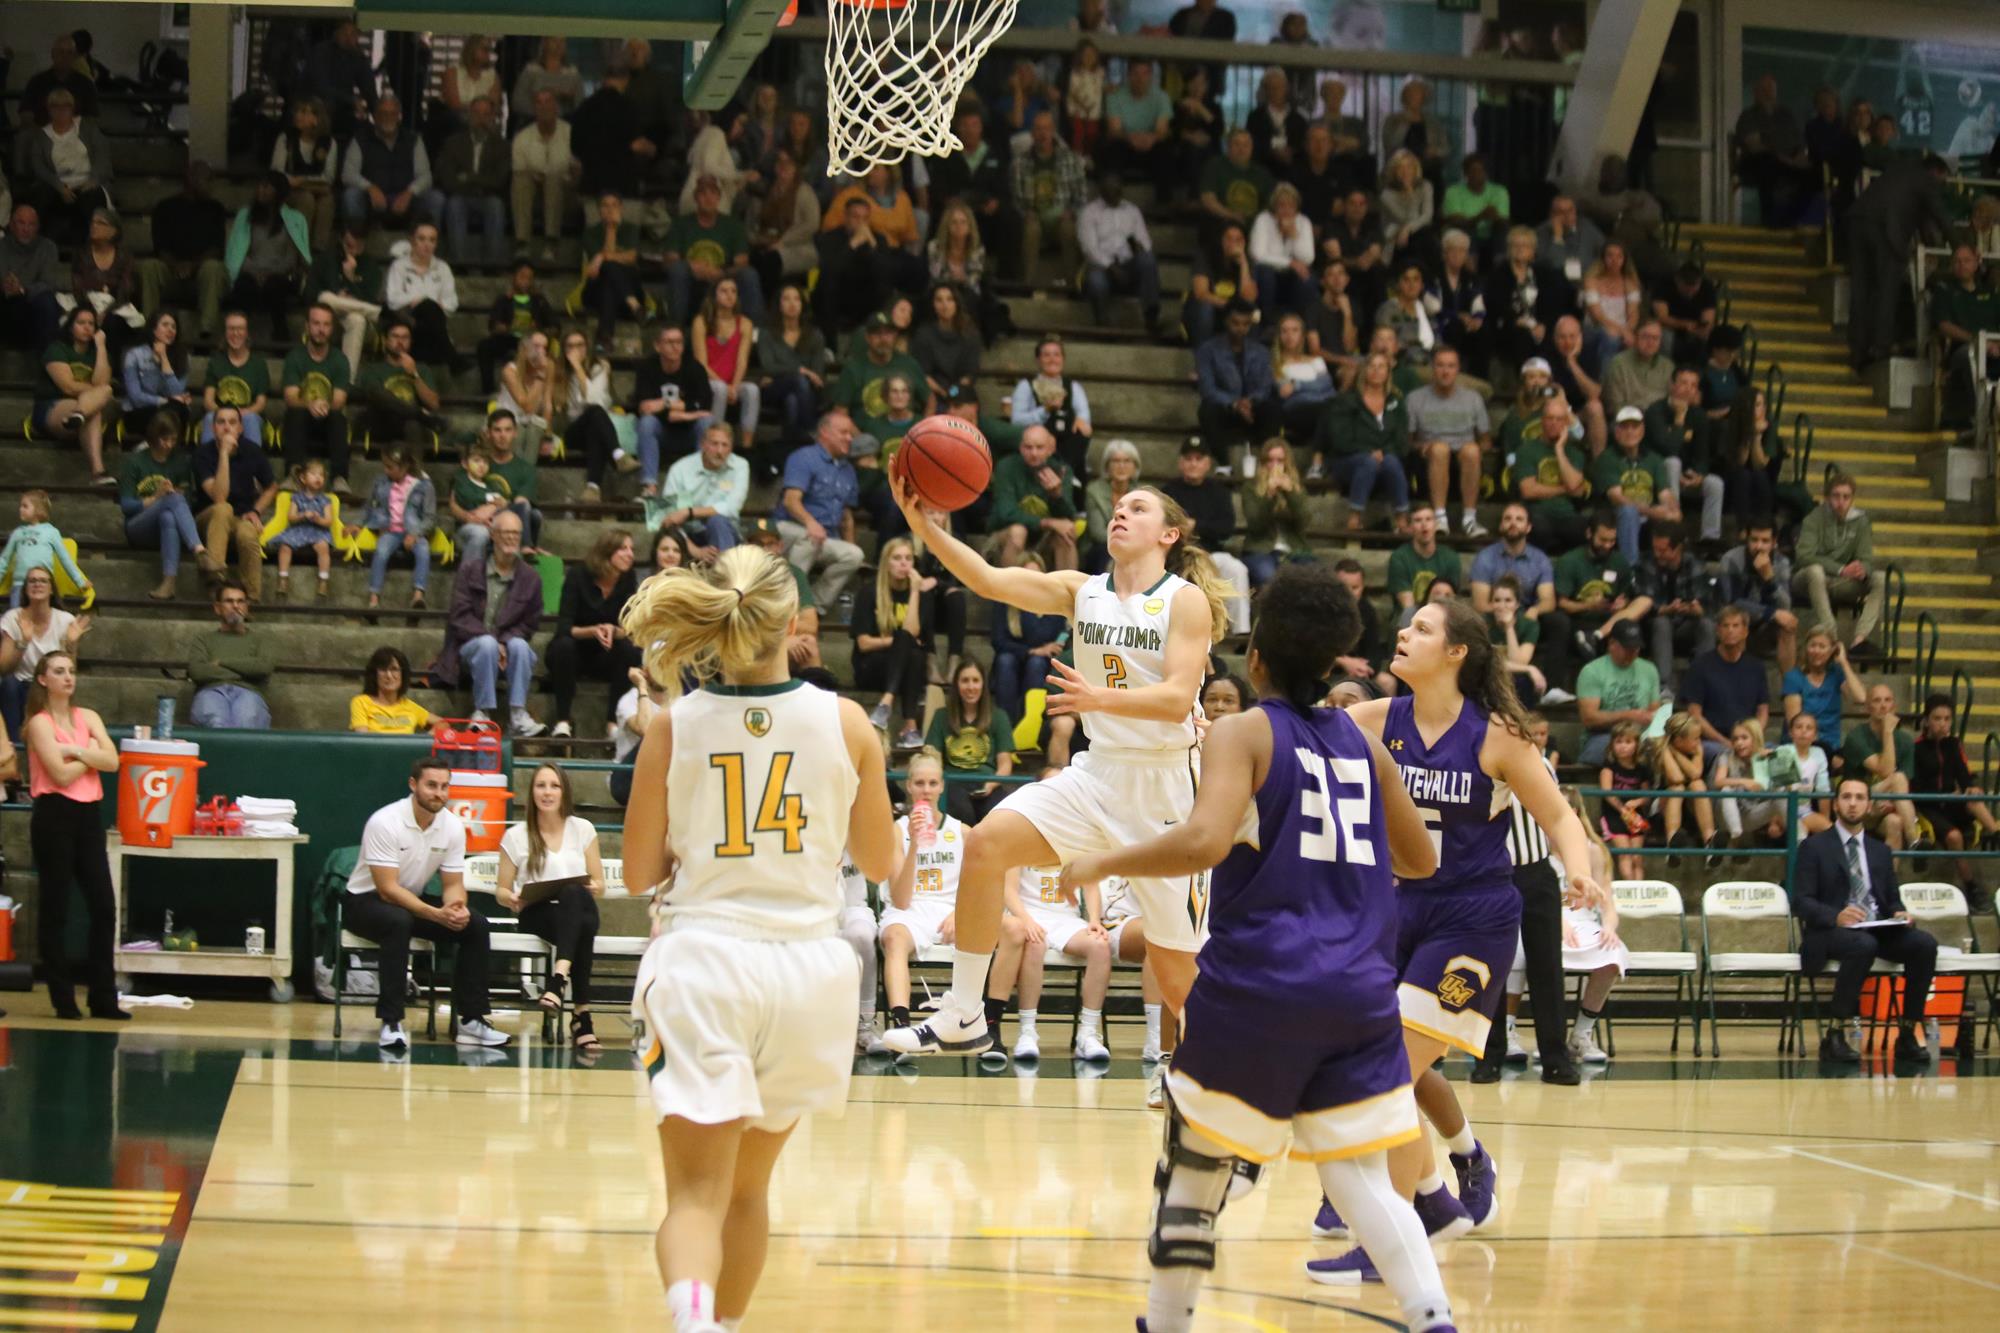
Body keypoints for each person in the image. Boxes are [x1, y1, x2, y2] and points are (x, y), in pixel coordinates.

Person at [618, 540, 900, 1333]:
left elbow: (639, 872)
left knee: (696, 1198)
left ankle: (692, 1319)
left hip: (707, 959)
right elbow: (879, 862)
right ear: (794, 622)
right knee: (747, 1192)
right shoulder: (847, 723)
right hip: (811, 972)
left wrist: (692, 839)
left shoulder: (673, 724)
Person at [881, 464, 1231, 1103]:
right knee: (985, 845)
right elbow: (986, 579)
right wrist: (923, 525)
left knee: (1179, 968)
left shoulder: (1183, 599)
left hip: (1166, 793)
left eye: (1138, 508)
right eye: (1117, 505)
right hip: (1096, 774)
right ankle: (964, 1012)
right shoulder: (1081, 589)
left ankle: (1215, 1074)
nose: (1120, 512)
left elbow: (1182, 695)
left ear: (1169, 535)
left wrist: (1098, 696)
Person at [1313, 597, 1601, 1279]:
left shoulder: (1498, 734)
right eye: (1406, 626)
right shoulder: (1381, 718)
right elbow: (1300, 733)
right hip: (1397, 912)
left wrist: (1582, 871)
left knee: (1386, 1075)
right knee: (1397, 1073)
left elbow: (1560, 816)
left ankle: (1400, 1233)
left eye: (1421, 628)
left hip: (1472, 921)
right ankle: (1439, 1200)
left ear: (1456, 653)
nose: (1403, 635)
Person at [345, 757, 508, 1051]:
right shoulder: (385, 822)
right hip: (364, 902)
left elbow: (453, 884)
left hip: (409, 900)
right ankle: (391, 1022)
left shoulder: (453, 827)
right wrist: (435, 914)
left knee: (475, 924)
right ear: (413, 785)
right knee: (398, 921)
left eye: (445, 786)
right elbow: (387, 889)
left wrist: (455, 908)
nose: (440, 793)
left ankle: (470, 1021)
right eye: (432, 785)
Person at [1792, 778, 1941, 1063]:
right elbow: (1801, 901)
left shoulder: (1880, 851)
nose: (1852, 803)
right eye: (1846, 797)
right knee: (1862, 944)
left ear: (1869, 805)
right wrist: (1835, 915)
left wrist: (1900, 913)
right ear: (1836, 804)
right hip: (1830, 931)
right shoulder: (1813, 847)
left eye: (1859, 797)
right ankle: (1834, 1034)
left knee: (1924, 944)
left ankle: (1908, 1033)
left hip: (1876, 927)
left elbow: (1892, 899)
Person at [24, 651, 123, 1021]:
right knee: (56, 908)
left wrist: (75, 751)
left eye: (72, 671)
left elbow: (113, 762)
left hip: (87, 816)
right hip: (54, 816)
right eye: (59, 671)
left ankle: (103, 999)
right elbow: (60, 776)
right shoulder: (39, 723)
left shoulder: (89, 717)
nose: (68, 677)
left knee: (104, 906)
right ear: (43, 679)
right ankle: (63, 998)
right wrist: (92, 754)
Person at [496, 764, 605, 1052]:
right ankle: (581, 1016)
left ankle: (557, 982)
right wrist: (511, 898)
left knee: (575, 896)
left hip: (576, 910)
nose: (547, 792)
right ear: (531, 793)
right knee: (582, 922)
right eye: (541, 786)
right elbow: (501, 889)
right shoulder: (516, 835)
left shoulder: (583, 829)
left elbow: (600, 884)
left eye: (554, 785)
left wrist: (594, 887)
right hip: (537, 912)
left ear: (564, 791)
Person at [433, 509, 546, 737]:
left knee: (521, 646)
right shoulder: (470, 570)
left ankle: (518, 715)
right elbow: (459, 616)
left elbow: (529, 624)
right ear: (493, 535)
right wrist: (495, 642)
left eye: (516, 533)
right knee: (486, 644)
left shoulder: (530, 578)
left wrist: (503, 642)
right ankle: (481, 713)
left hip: (509, 653)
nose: (511, 538)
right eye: (505, 532)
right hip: (469, 650)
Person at [1793, 471, 1887, 658]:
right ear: (1827, 497)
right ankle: (1832, 638)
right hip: (1808, 580)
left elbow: (1867, 558)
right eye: (1836, 496)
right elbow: (1804, 556)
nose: (1841, 502)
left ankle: (1860, 640)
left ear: (1852, 499)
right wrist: (1841, 569)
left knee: (1880, 578)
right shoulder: (1814, 518)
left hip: (1841, 582)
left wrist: (1862, 569)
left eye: (1846, 497)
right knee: (1815, 571)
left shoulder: (1861, 522)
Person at [778, 411, 865, 609]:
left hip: (824, 537)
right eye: (844, 432)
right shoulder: (803, 458)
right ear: (825, 432)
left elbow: (846, 516)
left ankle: (813, 606)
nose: (850, 438)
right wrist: (810, 523)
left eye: (851, 434)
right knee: (810, 538)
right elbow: (791, 501)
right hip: (789, 529)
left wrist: (850, 544)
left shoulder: (848, 470)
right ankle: (787, 604)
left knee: (855, 555)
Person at [1318, 352, 1412, 531]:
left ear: (1388, 372)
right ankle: (1355, 516)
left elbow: (1401, 440)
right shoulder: (1347, 401)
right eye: (1372, 366)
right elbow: (1340, 439)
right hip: (1348, 460)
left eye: (1381, 366)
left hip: (1385, 458)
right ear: (1364, 370)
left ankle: (1402, 517)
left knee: (1392, 461)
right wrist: (1369, 450)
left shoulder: (1396, 402)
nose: (1376, 371)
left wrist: (1383, 452)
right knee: (1368, 462)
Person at [1404, 347, 1491, 539]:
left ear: (1458, 369)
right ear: (1433, 369)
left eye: (1451, 366)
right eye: (1440, 365)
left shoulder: (1473, 398)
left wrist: (1477, 449)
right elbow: (1407, 441)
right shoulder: (1415, 398)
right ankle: (1440, 518)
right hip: (1429, 457)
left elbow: (1485, 440)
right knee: (1440, 449)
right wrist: (1422, 447)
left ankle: (1469, 519)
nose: (1445, 371)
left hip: (1464, 458)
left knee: (1471, 451)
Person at [119, 415, 207, 601]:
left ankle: (169, 583)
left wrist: (174, 494)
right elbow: (126, 506)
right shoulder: (135, 462)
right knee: (171, 500)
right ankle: (199, 550)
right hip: (137, 526)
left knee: (168, 515)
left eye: (173, 440)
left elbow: (188, 502)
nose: (169, 444)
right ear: (153, 437)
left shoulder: (180, 461)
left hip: (168, 525)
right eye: (164, 439)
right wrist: (156, 498)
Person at [138, 162, 229, 340]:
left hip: (201, 275)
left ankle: (206, 331)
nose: (211, 186)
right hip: (170, 273)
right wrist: (176, 266)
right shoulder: (165, 208)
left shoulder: (215, 209)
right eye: (207, 180)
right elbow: (160, 248)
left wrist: (192, 266)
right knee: (149, 266)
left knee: (214, 268)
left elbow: (217, 249)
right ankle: (150, 328)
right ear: (192, 180)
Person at [194, 406, 275, 600]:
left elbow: (272, 487)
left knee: (248, 533)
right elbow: (219, 497)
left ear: (240, 428)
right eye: (221, 422)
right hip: (208, 518)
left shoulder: (251, 450)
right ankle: (216, 583)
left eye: (232, 422)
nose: (227, 427)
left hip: (241, 516)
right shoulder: (202, 454)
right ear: (213, 428)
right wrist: (224, 455)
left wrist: (256, 511)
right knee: (223, 508)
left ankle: (250, 599)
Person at [0, 568, 86, 743]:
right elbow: (3, 668)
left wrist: (71, 645)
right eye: (32, 581)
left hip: (49, 685)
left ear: (51, 588)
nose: (37, 584)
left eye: (43, 580)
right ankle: (14, 746)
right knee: (8, 684)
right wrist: (23, 643)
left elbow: (70, 669)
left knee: (60, 683)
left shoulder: (65, 620)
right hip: (21, 684)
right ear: (25, 588)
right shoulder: (12, 617)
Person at [665, 173, 763, 325]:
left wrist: (722, 273)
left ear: (719, 198)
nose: (708, 198)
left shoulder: (733, 225)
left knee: (749, 274)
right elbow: (670, 259)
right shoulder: (681, 224)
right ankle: (676, 329)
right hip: (691, 280)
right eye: (703, 193)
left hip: (723, 280)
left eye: (713, 193)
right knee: (678, 269)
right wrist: (693, 266)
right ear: (696, 198)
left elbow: (742, 262)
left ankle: (755, 334)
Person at [1194, 299, 1279, 472]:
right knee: (1206, 409)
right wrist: (1235, 403)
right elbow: (1207, 388)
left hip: (1253, 408)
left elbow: (1265, 386)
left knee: (1273, 408)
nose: (1240, 329)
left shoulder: (1261, 351)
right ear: (1226, 321)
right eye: (1236, 323)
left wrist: (1250, 402)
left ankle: (1267, 464)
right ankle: (1224, 464)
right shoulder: (1208, 350)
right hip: (1225, 408)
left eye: (1245, 324)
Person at [36, 306, 116, 486]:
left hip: (79, 412)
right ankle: (98, 472)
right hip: (54, 406)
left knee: (105, 394)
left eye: (91, 323)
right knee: (97, 403)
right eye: (81, 323)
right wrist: (93, 392)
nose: (87, 327)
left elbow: (102, 383)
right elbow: (68, 387)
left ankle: (80, 415)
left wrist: (101, 347)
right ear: (71, 326)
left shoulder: (99, 353)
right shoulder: (57, 349)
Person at [280, 303, 354, 497]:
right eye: (316, 323)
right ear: (307, 326)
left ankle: (339, 477)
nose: (321, 329)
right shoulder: (295, 357)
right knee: (295, 413)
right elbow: (290, 397)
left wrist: (323, 405)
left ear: (332, 328)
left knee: (338, 418)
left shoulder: (339, 360)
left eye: (326, 324)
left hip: (328, 418)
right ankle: (294, 474)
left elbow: (339, 401)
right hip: (302, 417)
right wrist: (310, 404)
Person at [632, 325, 718, 490]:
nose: (675, 347)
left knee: (706, 422)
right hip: (661, 432)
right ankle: (649, 486)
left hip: (690, 432)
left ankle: (699, 485)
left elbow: (706, 405)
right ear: (658, 346)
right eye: (670, 342)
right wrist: (674, 405)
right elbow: (644, 407)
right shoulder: (647, 367)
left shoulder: (694, 367)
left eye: (679, 342)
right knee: (646, 423)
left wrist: (677, 412)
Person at [24, 91, 114, 245]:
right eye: (56, 107)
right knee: (41, 195)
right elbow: (39, 166)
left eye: (66, 106)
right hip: (59, 186)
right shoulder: (42, 135)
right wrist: (59, 187)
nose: (61, 111)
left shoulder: (87, 127)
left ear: (72, 108)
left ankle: (92, 245)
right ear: (49, 109)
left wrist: (93, 180)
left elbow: (102, 156)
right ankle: (39, 246)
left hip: (87, 183)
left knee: (92, 197)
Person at [340, 93, 443, 227]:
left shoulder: (413, 140)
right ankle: (355, 244)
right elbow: (348, 174)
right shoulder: (360, 140)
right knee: (351, 195)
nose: (387, 117)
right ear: (375, 116)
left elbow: (425, 176)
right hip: (372, 200)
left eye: (392, 113)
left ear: (399, 116)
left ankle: (427, 243)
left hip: (406, 199)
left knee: (436, 199)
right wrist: (370, 188)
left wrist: (409, 193)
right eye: (383, 113)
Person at [1633, 523, 1714, 693]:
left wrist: (1696, 610)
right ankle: (1664, 686)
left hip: (1685, 625)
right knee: (1661, 622)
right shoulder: (1646, 563)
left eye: (1663, 550)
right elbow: (1643, 602)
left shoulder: (1695, 565)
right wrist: (1666, 609)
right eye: (1655, 548)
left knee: (1706, 624)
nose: (1657, 554)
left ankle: (1702, 685)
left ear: (1678, 548)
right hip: (1652, 628)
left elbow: (1706, 604)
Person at [1593, 406, 1678, 564]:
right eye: (1624, 427)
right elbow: (1617, 498)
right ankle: (1630, 569)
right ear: (1616, 432)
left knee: (1671, 515)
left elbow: (1665, 494)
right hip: (1616, 519)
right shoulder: (1607, 459)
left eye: (1635, 426)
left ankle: (1669, 566)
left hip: (1648, 520)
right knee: (1628, 511)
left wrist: (1672, 511)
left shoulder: (1654, 459)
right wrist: (1653, 512)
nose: (1630, 432)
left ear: (1642, 430)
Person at [186, 579, 274, 729]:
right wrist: (246, 670)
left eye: (240, 601)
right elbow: (197, 671)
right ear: (217, 608)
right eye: (229, 601)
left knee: (245, 723)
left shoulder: (261, 639)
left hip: (249, 693)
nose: (235, 606)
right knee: (216, 722)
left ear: (247, 607)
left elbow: (263, 668)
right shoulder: (203, 639)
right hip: (211, 691)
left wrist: (221, 662)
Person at [1575, 621, 1664, 766]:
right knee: (1611, 750)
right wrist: (1627, 715)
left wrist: (1651, 718)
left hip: (1640, 735)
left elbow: (1654, 710)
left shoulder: (1649, 670)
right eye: (1627, 648)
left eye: (1636, 648)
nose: (1633, 653)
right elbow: (1588, 718)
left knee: (1663, 750)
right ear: (1612, 644)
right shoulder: (1592, 671)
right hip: (1603, 735)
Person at [436, 96, 510, 267]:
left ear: (493, 117)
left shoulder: (502, 146)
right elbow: (447, 179)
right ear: (469, 116)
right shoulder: (453, 143)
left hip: (489, 197)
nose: (481, 119)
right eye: (477, 114)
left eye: (486, 114)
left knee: (496, 206)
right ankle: (459, 263)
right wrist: (480, 181)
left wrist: (469, 177)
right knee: (454, 204)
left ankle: (492, 265)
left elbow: (500, 181)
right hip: (460, 196)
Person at [1009, 337, 1093, 485]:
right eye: (1046, 355)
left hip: (1066, 442)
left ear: (1063, 359)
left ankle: (1065, 472)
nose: (1052, 359)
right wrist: (1045, 410)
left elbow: (1084, 416)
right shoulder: (1026, 386)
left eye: (1056, 354)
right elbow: (1017, 420)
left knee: (1083, 432)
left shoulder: (1073, 387)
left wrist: (1080, 421)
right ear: (1038, 359)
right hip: (1038, 443)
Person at [1079, 176, 1161, 329]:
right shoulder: (1089, 212)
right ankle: (1102, 322)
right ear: (1102, 192)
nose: (1115, 194)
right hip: (1102, 267)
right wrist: (1111, 266)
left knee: (1148, 259)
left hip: (1128, 263)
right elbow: (1089, 249)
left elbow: (1145, 240)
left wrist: (1140, 246)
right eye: (1111, 191)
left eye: (1118, 191)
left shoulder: (1132, 210)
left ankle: (1151, 316)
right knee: (1096, 280)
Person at [308, 218, 386, 372]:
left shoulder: (371, 267)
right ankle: (376, 312)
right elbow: (310, 293)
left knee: (357, 320)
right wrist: (338, 296)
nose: (354, 250)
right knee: (325, 297)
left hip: (358, 319)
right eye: (349, 245)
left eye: (359, 245)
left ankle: (347, 380)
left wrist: (350, 280)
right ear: (341, 240)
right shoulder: (326, 260)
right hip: (327, 315)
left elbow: (370, 298)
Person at [660, 422, 749, 555]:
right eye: (714, 444)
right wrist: (695, 551)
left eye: (725, 445)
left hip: (727, 533)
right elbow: (668, 518)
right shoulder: (680, 469)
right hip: (688, 536)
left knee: (717, 521)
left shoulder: (740, 466)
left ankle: (725, 572)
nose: (720, 451)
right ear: (703, 445)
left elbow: (732, 507)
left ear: (731, 448)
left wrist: (688, 512)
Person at [383, 220, 458, 369]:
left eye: (432, 240)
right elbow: (392, 300)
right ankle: (451, 356)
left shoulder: (442, 268)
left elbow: (452, 303)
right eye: (421, 239)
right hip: (407, 319)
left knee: (430, 309)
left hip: (433, 322)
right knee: (428, 306)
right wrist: (418, 299)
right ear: (412, 240)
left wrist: (431, 303)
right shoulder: (399, 266)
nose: (427, 244)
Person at [510, 90, 577, 259]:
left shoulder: (571, 133)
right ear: (534, 108)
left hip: (567, 191)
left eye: (548, 101)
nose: (544, 106)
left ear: (556, 107)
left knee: (554, 179)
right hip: (533, 190)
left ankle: (551, 241)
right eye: (539, 102)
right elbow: (520, 170)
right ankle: (522, 243)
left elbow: (577, 169)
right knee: (521, 181)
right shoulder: (522, 138)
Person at [1241, 439, 1314, 589]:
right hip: (1260, 550)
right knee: (1269, 577)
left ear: (1287, 462)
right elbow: (1255, 524)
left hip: (1295, 550)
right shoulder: (1250, 488)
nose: (1275, 465)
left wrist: (1290, 493)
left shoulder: (1297, 488)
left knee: (1313, 577)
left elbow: (1304, 521)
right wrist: (1269, 495)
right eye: (1270, 460)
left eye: (1280, 460)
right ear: (1263, 462)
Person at [1102, 60, 1177, 200]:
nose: (1140, 79)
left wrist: (1151, 138)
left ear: (1151, 76)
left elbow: (1162, 130)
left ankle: (1164, 205)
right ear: (1128, 76)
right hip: (1125, 144)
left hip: (1151, 146)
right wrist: (1130, 138)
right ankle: (1112, 200)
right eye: (1135, 74)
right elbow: (1114, 129)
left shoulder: (1162, 97)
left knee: (1166, 151)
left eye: (1144, 74)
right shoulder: (1115, 95)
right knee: (1112, 149)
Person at [270, 101, 339, 251]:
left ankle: (318, 249)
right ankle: (300, 248)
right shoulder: (286, 138)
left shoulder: (328, 142)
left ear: (316, 119)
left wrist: (302, 181)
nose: (298, 115)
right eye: (298, 111)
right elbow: (277, 171)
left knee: (327, 201)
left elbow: (328, 177)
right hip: (289, 190)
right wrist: (302, 184)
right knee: (306, 199)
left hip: (316, 189)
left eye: (304, 112)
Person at [198, 311, 271, 445]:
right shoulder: (216, 362)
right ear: (225, 333)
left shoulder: (258, 364)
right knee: (210, 418)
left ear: (247, 333)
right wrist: (224, 415)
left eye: (240, 329)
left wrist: (240, 415)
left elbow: (261, 403)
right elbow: (208, 400)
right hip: (220, 412)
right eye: (231, 329)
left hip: (248, 414)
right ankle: (207, 464)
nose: (236, 333)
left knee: (250, 420)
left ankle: (252, 464)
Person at [1183, 222, 1259, 349]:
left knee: (1253, 314)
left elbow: (1249, 298)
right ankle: (1203, 358)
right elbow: (1201, 293)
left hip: (1229, 313)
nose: (1233, 243)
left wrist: (1244, 264)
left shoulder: (1247, 260)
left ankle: (1247, 362)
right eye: (1228, 238)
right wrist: (1230, 306)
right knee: (1205, 309)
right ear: (1221, 241)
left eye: (1238, 239)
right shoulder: (1205, 256)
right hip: (1201, 311)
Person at [272, 458, 337, 604]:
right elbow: (291, 517)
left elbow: (328, 521)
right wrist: (302, 515)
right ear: (303, 478)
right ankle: (283, 579)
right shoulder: (296, 497)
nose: (318, 478)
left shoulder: (325, 500)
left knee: (324, 548)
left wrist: (318, 519)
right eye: (313, 474)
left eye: (321, 475)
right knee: (284, 546)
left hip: (317, 530)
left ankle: (323, 581)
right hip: (299, 529)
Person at [1249, 182, 1317, 321]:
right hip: (1267, 274)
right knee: (1265, 274)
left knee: (1307, 278)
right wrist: (1289, 262)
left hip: (1291, 277)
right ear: (1274, 206)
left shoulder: (1303, 222)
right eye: (1282, 205)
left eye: (1291, 205)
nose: (1286, 210)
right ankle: (1267, 322)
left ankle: (1299, 323)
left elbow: (1308, 258)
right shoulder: (1263, 219)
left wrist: (1294, 235)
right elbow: (1257, 255)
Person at [0, 204, 63, 351]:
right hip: (5, 300)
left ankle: (49, 359)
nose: (26, 229)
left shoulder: (48, 247)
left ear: (38, 227)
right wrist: (7, 285)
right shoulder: (2, 246)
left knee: (47, 300)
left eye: (31, 224)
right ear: (11, 225)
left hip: (32, 300)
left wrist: (22, 289)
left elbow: (49, 282)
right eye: (21, 223)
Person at [1388, 507, 1462, 616]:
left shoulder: (1451, 558)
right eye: (1418, 520)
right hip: (1409, 619)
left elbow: (1450, 601)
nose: (1424, 524)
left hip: (1442, 615)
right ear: (1410, 527)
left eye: (1428, 519)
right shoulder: (1399, 558)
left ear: (1436, 524)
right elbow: (1408, 606)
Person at [1486, 576, 1546, 705]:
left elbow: (1519, 661)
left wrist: (1509, 628)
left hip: (1513, 676)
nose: (1502, 606)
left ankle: (1522, 721)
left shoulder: (1529, 625)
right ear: (1491, 603)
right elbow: (1488, 664)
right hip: (1488, 675)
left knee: (1523, 681)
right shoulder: (1482, 623)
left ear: (1517, 604)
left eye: (1508, 600)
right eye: (1497, 600)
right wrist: (1530, 668)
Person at [350, 646, 431, 734]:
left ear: (402, 675)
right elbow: (363, 740)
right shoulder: (361, 702)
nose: (389, 675)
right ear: (374, 675)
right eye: (383, 670)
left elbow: (443, 723)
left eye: (394, 669)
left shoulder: (411, 706)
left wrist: (427, 737)